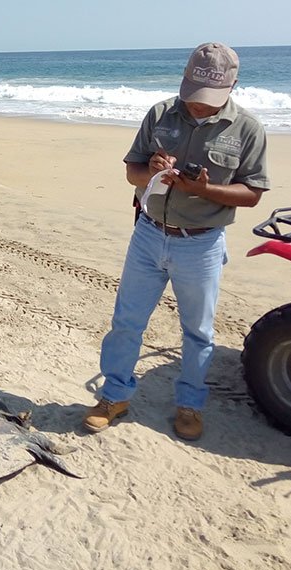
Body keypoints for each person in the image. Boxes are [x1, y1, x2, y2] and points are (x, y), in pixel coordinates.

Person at [84, 42, 270, 440]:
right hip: (149, 235)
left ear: (233, 85)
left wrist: (204, 190)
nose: (198, 107)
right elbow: (132, 173)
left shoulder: (248, 129)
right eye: (193, 97)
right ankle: (114, 395)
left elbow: (253, 194)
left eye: (209, 100)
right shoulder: (160, 114)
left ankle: (190, 405)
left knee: (198, 331)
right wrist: (150, 169)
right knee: (126, 323)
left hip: (201, 245)